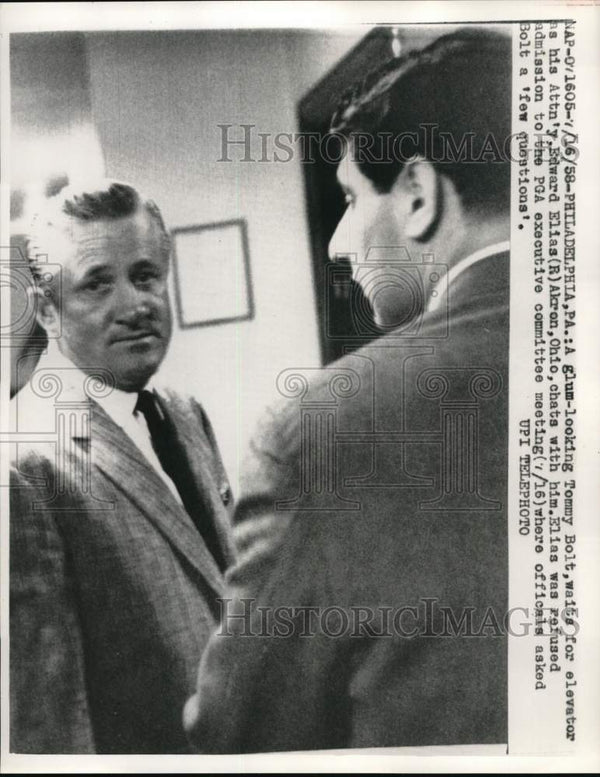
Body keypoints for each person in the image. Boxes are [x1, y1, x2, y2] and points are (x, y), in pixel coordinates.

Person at [184, 28, 511, 752]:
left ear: (419, 194)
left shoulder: (321, 425)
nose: (337, 242)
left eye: (350, 198)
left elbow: (238, 730)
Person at [10, 180, 235, 753]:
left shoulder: (185, 415)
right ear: (47, 311)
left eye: (145, 276)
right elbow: (48, 721)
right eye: (96, 284)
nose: (135, 305)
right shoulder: (25, 465)